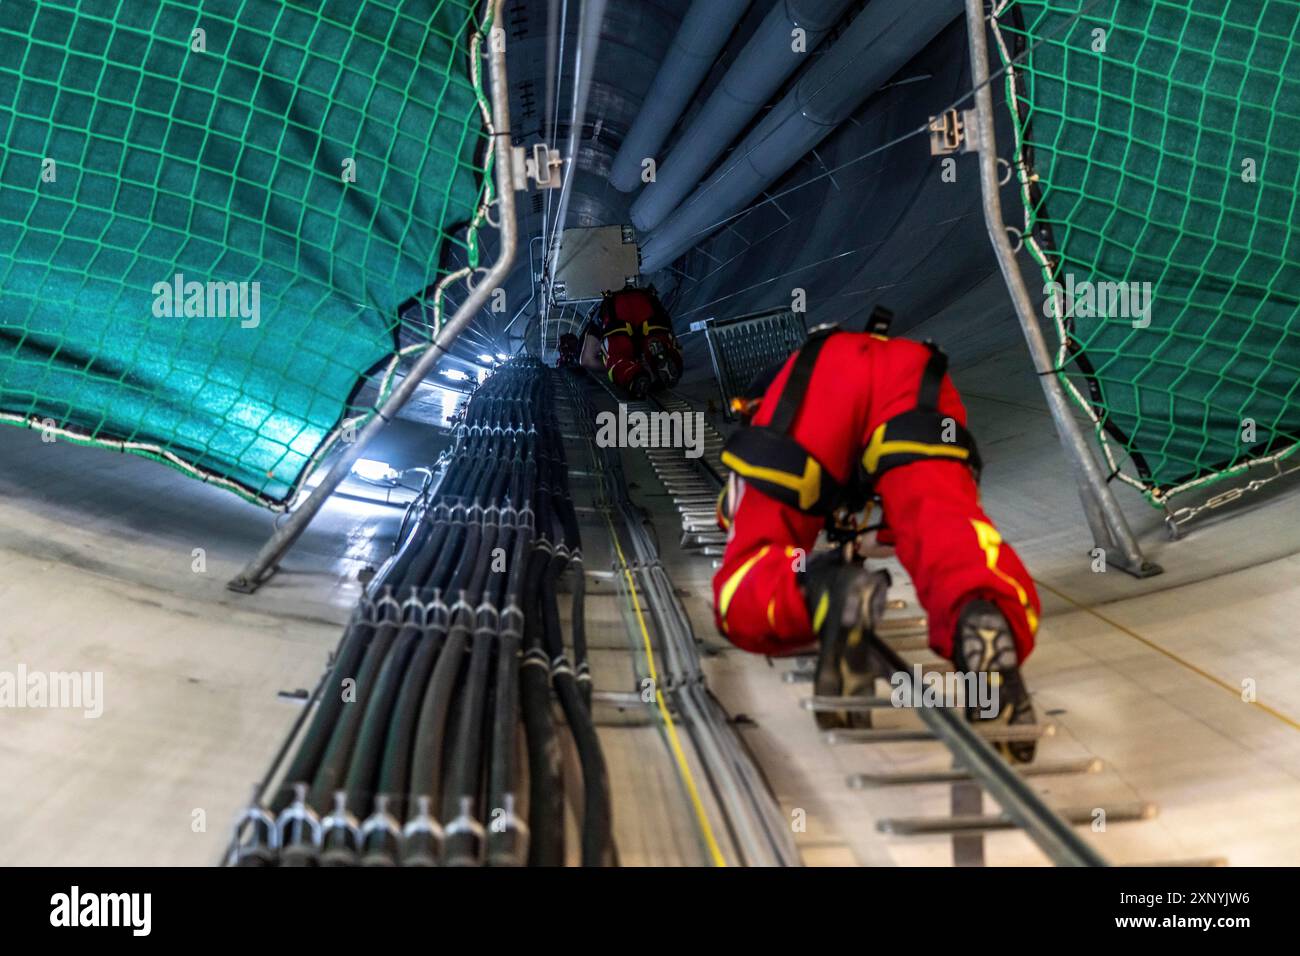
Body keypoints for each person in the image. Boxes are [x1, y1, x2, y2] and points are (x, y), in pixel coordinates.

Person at [712, 317, 1041, 759]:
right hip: (912, 371)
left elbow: (738, 515)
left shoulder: (781, 395)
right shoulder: (891, 363)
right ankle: (979, 611)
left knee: (747, 577)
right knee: (945, 527)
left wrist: (818, 553)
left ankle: (823, 590)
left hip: (821, 377)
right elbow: (903, 533)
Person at [579, 282, 682, 399]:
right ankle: (664, 356)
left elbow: (586, 360)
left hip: (616, 312)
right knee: (661, 340)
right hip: (646, 303)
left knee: (617, 356)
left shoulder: (600, 310)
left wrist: (608, 367)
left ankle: (632, 374)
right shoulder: (642, 293)